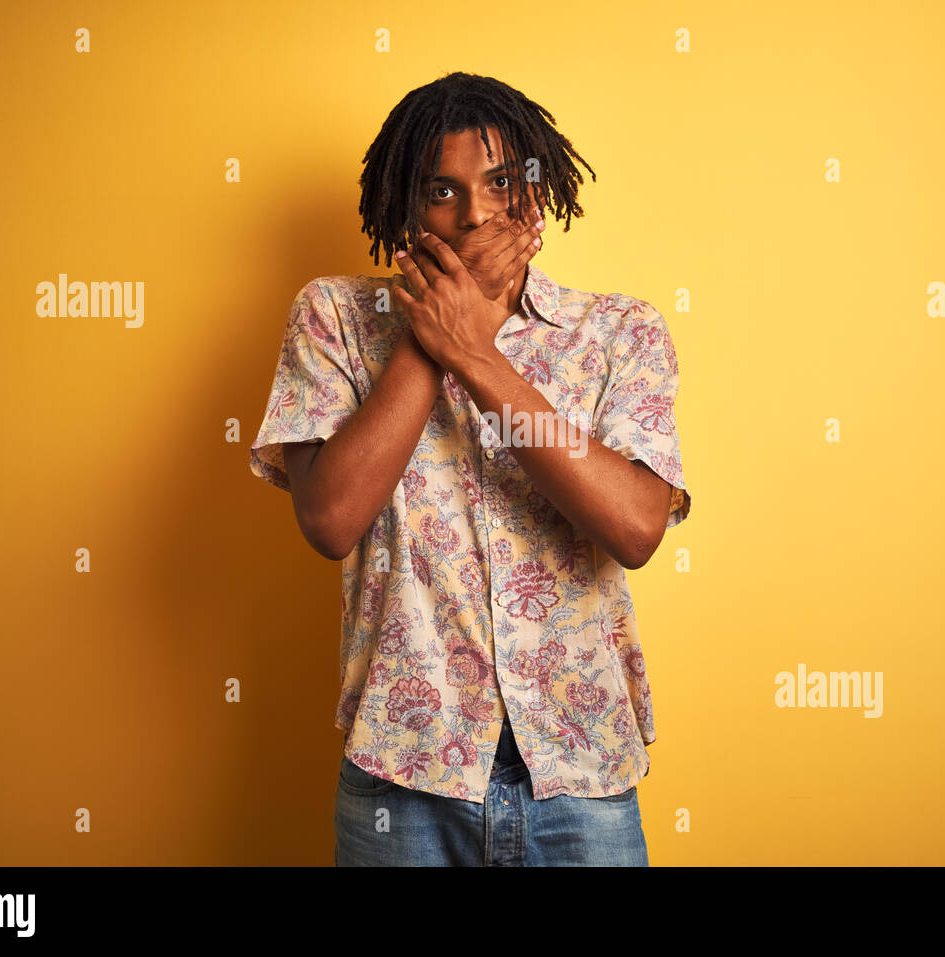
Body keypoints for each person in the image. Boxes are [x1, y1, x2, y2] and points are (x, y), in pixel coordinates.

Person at [248, 71, 691, 866]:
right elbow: (330, 518)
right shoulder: (336, 319)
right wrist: (433, 337)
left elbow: (634, 526)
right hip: (405, 777)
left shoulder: (620, 331)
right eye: (441, 191)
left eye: (500, 183)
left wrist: (475, 353)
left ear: (539, 193)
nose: (476, 213)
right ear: (404, 208)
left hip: (580, 777)